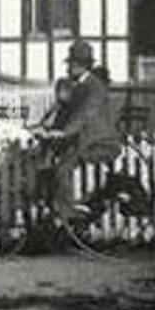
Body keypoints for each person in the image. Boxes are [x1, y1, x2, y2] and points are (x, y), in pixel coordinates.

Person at [31, 41, 121, 226]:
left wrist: (63, 132)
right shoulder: (77, 86)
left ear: (82, 65)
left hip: (99, 141)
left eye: (71, 64)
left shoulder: (94, 87)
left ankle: (70, 215)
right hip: (82, 139)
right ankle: (56, 211)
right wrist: (44, 128)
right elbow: (64, 113)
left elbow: (84, 115)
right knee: (48, 163)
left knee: (62, 169)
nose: (68, 68)